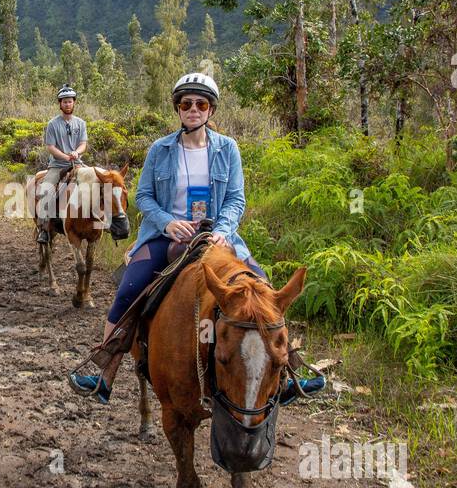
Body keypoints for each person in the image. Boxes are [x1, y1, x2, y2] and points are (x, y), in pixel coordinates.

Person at [69, 72, 322, 404]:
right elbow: (144, 196)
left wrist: (221, 231)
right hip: (168, 236)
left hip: (215, 236)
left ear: (210, 110)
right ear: (178, 109)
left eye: (201, 104)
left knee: (264, 290)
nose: (193, 109)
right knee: (130, 288)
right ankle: (105, 371)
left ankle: (288, 372)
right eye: (186, 103)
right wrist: (168, 223)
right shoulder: (160, 149)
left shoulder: (227, 149)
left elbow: (236, 198)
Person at [36, 86, 88, 244]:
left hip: (77, 164)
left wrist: (77, 153)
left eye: (70, 101)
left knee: (99, 184)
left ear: (74, 103)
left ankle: (103, 223)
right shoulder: (52, 124)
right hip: (57, 165)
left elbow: (83, 144)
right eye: (64, 102)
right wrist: (65, 156)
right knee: (46, 190)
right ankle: (44, 229)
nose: (67, 104)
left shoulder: (81, 123)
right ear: (60, 104)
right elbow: (50, 147)